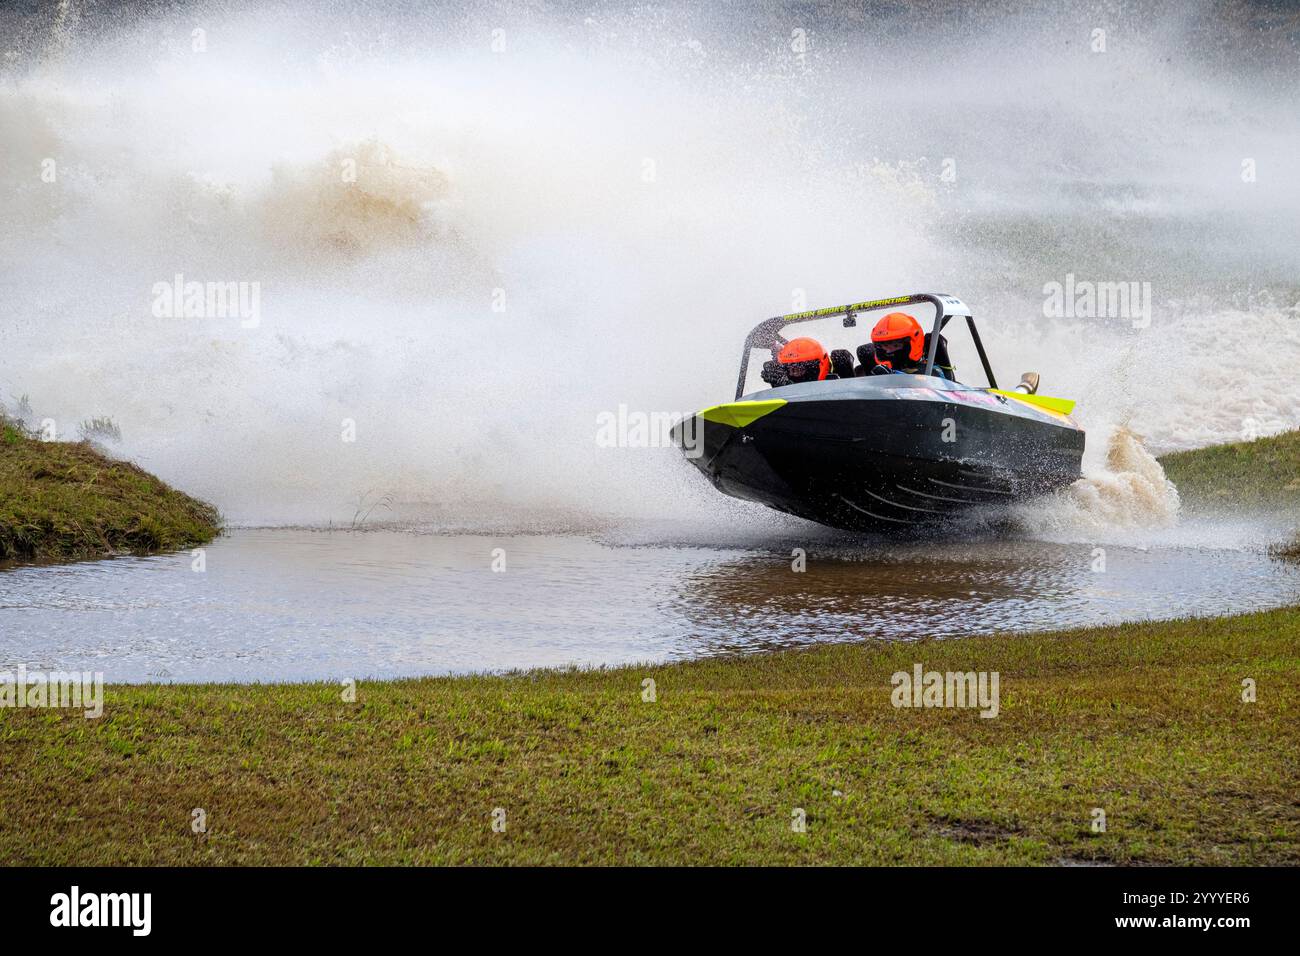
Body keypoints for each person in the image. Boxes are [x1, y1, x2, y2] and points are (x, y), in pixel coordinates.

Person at [868, 312, 956, 379]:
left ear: (913, 343)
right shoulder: (880, 369)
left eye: (895, 345)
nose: (888, 351)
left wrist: (891, 378)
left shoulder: (930, 371)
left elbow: (926, 384)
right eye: (884, 346)